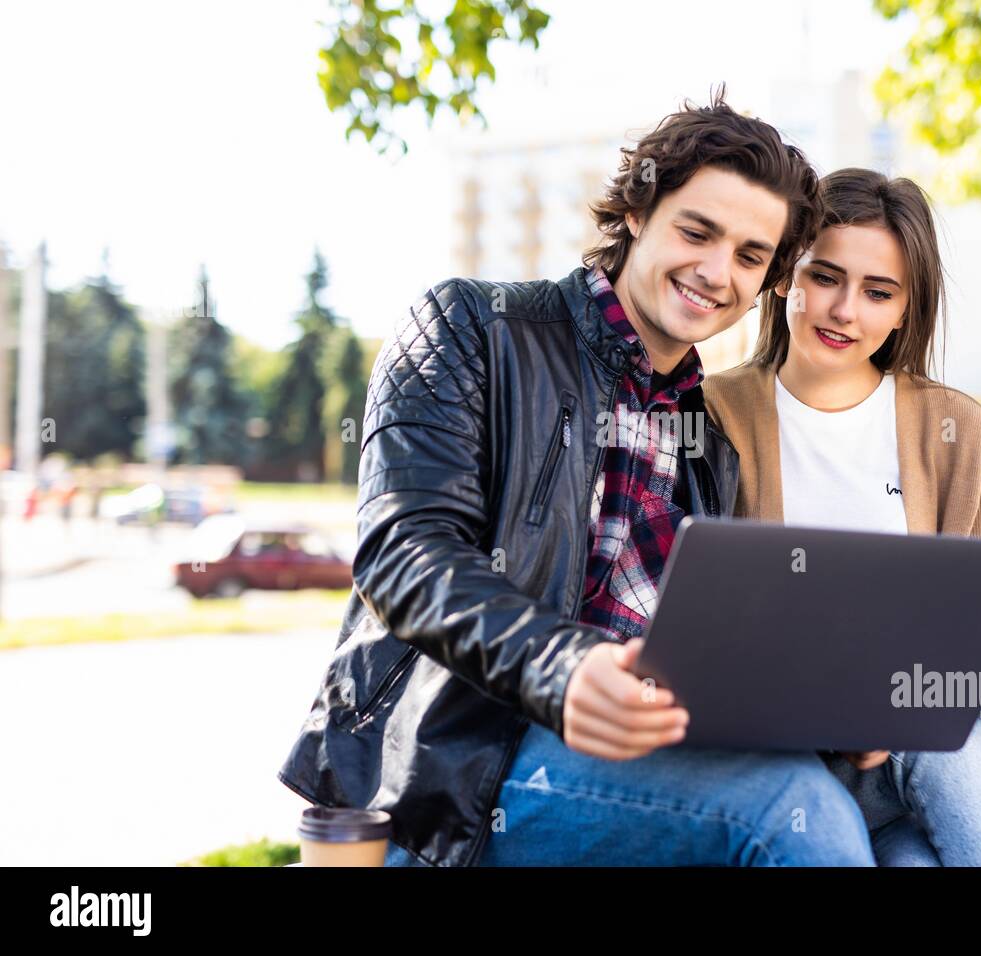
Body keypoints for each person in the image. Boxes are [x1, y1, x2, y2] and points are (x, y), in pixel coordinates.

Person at [279, 90, 886, 866]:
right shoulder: (470, 326)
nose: (715, 272)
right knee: (790, 809)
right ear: (637, 211)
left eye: (748, 256)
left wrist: (828, 714)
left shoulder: (709, 445)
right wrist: (563, 670)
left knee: (894, 784)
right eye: (697, 231)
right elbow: (404, 553)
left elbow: (707, 652)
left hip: (641, 753)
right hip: (459, 765)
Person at [703, 168, 981, 865]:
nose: (844, 311)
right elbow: (696, 626)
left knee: (934, 736)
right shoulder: (711, 413)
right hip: (781, 773)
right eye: (825, 277)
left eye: (878, 292)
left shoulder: (956, 431)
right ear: (783, 278)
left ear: (904, 310)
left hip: (909, 765)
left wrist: (898, 714)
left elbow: (969, 642)